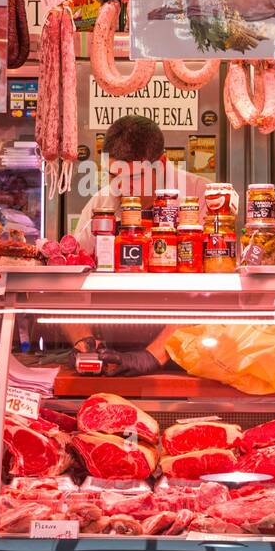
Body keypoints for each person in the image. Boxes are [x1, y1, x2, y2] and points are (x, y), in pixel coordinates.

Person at [67, 114, 213, 375]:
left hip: (187, 353)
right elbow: (70, 284)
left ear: (163, 164)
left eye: (135, 177)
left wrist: (152, 355)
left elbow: (212, 292)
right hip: (112, 349)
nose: (122, 186)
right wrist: (84, 341)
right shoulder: (102, 205)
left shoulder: (201, 196)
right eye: (115, 175)